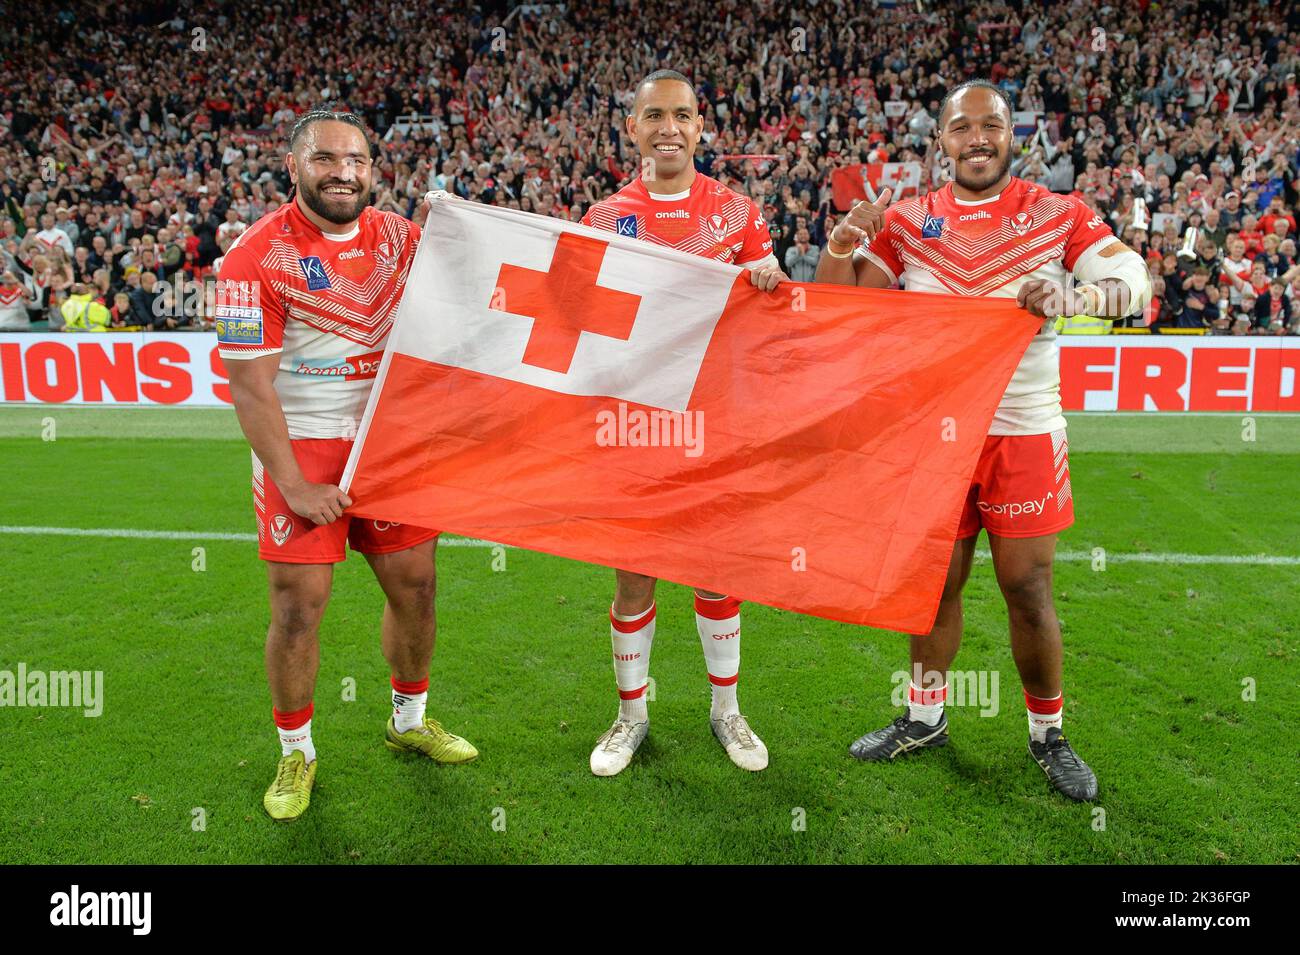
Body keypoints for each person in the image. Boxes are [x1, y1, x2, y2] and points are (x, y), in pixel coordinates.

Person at [816, 80, 1152, 802]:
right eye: (961, 127)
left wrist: (1078, 296)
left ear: (1011, 135)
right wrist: (842, 243)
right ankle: (925, 717)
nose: (976, 138)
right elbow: (842, 304)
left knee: (1026, 587)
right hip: (932, 435)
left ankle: (1048, 733)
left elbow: (1135, 280)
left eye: (991, 125)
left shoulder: (1057, 213)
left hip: (1022, 432)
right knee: (934, 584)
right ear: (940, 140)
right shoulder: (907, 221)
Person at [218, 109, 476, 823]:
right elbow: (249, 384)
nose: (343, 171)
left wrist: (458, 231)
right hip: (301, 443)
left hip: (388, 444)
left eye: (357, 159)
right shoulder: (253, 257)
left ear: (373, 168)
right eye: (326, 158)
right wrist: (294, 482)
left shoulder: (403, 237)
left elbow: (475, 290)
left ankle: (408, 717)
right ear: (294, 166)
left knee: (417, 587)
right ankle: (296, 747)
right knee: (299, 607)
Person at [578, 69, 787, 777]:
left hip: (716, 424)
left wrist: (769, 283)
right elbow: (585, 323)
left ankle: (726, 710)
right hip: (635, 425)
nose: (670, 126)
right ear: (632, 127)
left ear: (701, 128)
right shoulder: (603, 218)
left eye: (683, 115)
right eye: (655, 115)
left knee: (715, 571)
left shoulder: (737, 212)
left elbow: (775, 305)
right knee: (634, 575)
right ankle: (631, 716)